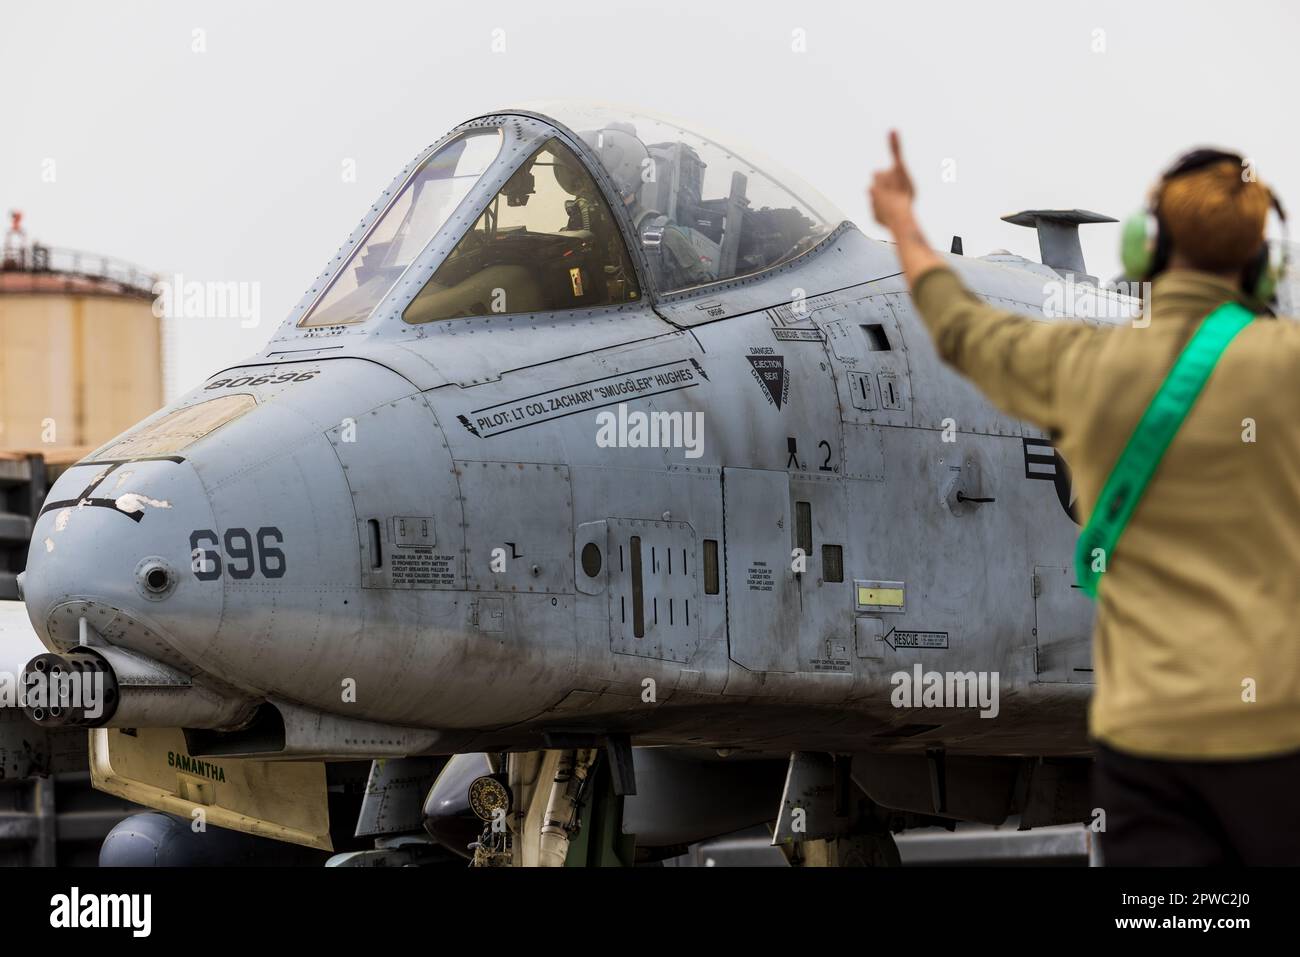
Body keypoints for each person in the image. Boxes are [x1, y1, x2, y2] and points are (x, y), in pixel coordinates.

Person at [869, 131, 1300, 865]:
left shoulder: (1083, 363)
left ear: (1143, 255)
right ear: (1263, 264)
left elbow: (959, 324)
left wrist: (905, 227)